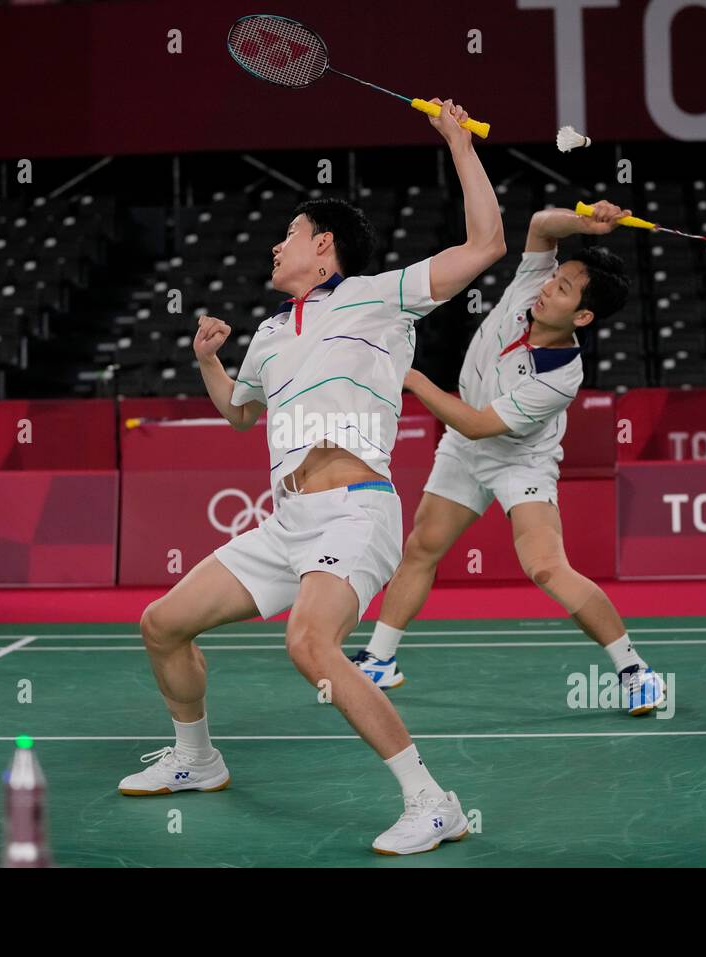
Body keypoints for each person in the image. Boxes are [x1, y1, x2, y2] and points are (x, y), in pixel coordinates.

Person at [117, 100, 505, 855]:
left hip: (356, 512)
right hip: (283, 521)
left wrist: (457, 142)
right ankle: (196, 759)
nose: (273, 244)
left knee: (310, 643)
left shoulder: (379, 297)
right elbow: (236, 412)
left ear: (324, 248)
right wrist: (208, 360)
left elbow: (486, 241)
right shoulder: (266, 335)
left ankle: (433, 801)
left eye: (287, 234)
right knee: (161, 624)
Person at [350, 200, 668, 716]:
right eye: (554, 278)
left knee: (546, 567)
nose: (548, 287)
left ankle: (635, 670)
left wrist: (411, 379)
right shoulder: (531, 288)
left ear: (582, 316)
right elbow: (542, 224)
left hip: (518, 460)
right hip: (464, 445)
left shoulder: (560, 378)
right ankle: (379, 659)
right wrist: (583, 222)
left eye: (562, 289)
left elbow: (478, 423)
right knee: (422, 547)